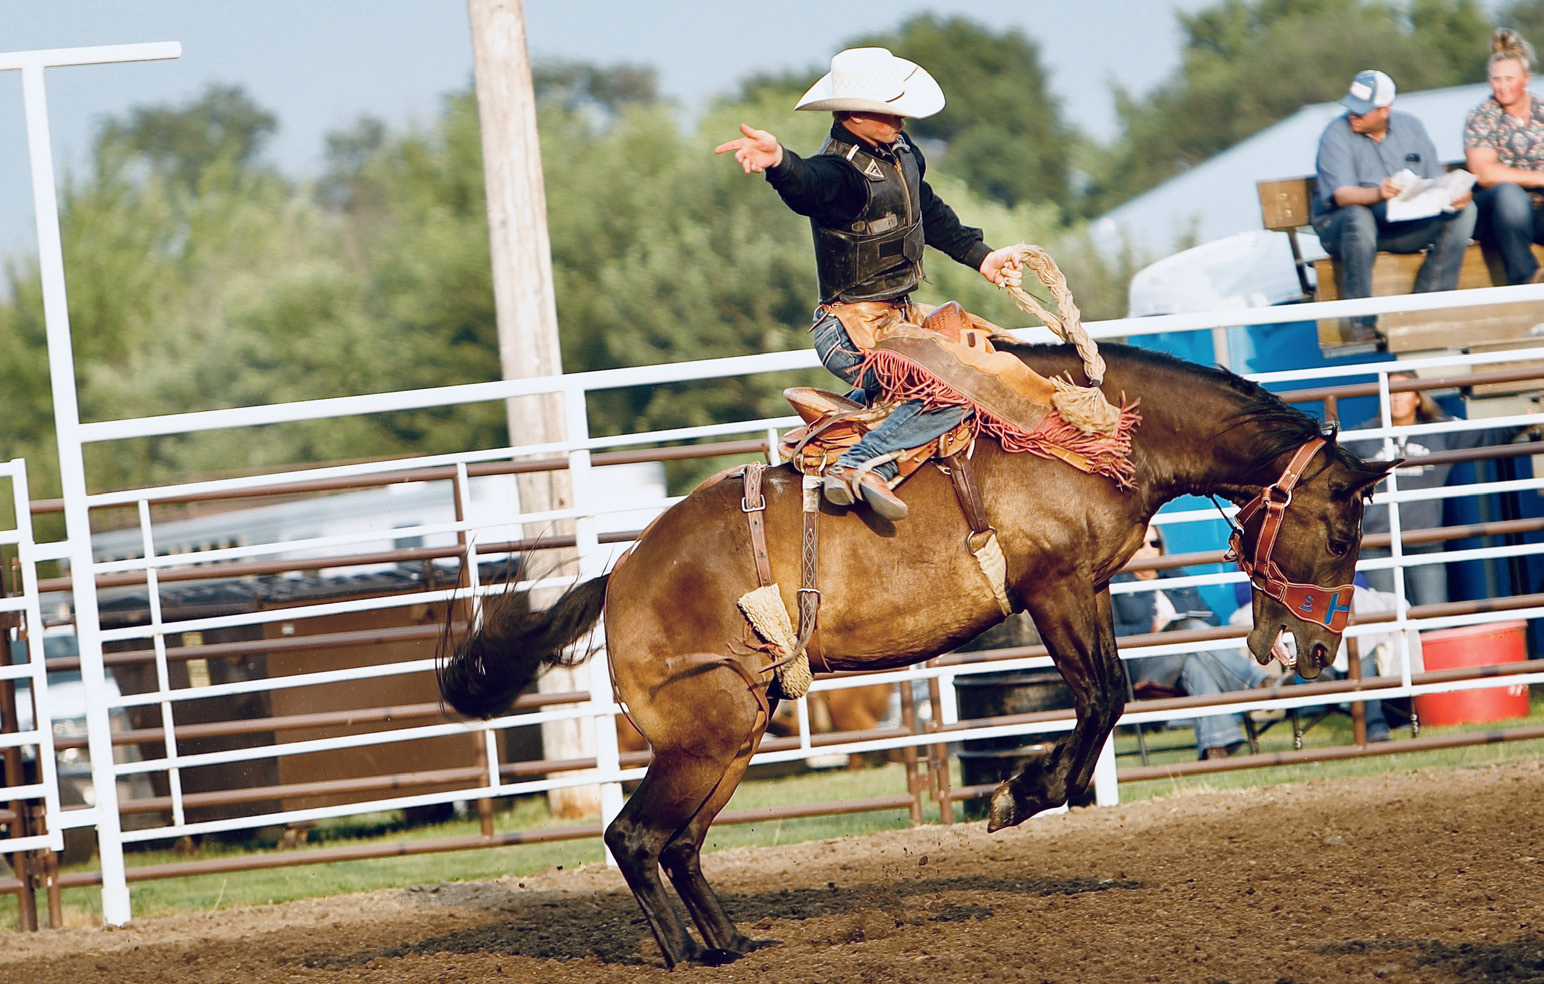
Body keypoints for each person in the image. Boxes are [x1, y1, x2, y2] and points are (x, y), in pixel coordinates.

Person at [714, 47, 1024, 521]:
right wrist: (780, 163)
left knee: (997, 357)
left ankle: (868, 421)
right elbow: (810, 184)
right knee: (955, 387)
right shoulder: (841, 173)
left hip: (898, 320)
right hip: (849, 332)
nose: (900, 118)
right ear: (854, 114)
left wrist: (983, 257)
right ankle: (858, 465)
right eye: (887, 109)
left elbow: (927, 211)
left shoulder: (901, 153)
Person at [1312, 70, 1477, 342]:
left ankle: (1427, 308)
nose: (1353, 114)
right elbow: (1342, 196)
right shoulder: (1335, 135)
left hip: (1403, 221)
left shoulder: (1412, 127)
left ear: (1384, 109)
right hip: (1344, 228)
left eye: (1362, 110)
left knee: (1465, 211)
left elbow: (1435, 181)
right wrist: (1378, 193)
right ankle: (1361, 322)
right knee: (1358, 217)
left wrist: (1456, 194)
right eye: (1351, 107)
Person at [1344, 371, 1523, 607]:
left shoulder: (1439, 431)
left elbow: (1484, 435)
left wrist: (1523, 423)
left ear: (1417, 398)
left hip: (1426, 543)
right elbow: (1331, 458)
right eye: (1389, 392)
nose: (1395, 398)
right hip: (1377, 544)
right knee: (1387, 618)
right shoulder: (1364, 435)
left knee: (1434, 614)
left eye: (1403, 391)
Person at [1112, 524, 1269, 759]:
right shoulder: (1116, 585)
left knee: (1193, 660)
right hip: (1147, 668)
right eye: (1140, 545)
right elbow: (1113, 634)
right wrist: (1151, 629)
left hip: (1185, 654)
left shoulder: (1175, 577)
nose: (1149, 550)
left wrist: (1185, 621)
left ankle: (1216, 745)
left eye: (1155, 543)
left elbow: (1211, 618)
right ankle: (1255, 682)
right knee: (1191, 630)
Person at [1464, 28, 1544, 286]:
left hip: (1539, 209)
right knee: (1509, 195)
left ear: (1526, 79)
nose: (1503, 86)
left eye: (1509, 79)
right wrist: (1539, 178)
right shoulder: (1482, 116)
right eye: (1497, 79)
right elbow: (1484, 172)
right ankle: (1526, 279)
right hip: (1498, 212)